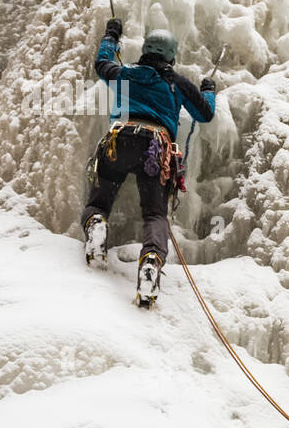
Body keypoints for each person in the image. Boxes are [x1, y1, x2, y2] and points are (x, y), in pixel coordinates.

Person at [81, 18, 217, 306]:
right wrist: (208, 90)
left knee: (100, 202)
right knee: (155, 214)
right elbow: (204, 114)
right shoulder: (177, 83)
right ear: (171, 56)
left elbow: (101, 63)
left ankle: (96, 226)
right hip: (156, 149)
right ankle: (151, 261)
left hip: (119, 140)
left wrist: (111, 36)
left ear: (145, 49)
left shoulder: (124, 73)